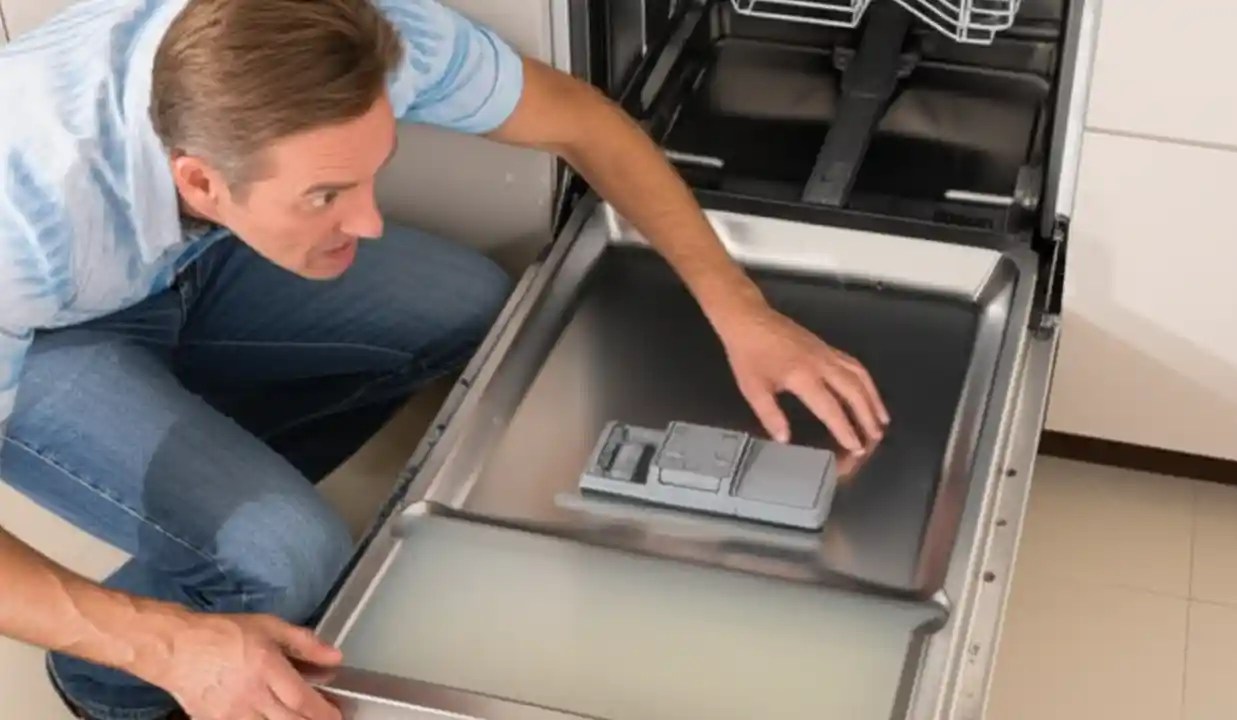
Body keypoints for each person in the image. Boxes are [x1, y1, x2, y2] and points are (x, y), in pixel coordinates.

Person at [0, 0, 890, 718]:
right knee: (291, 559)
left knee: (468, 303)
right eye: (326, 194)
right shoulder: (22, 204)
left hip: (190, 259)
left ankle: (211, 523)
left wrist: (741, 311)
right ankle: (107, 685)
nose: (370, 220)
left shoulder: (355, 38)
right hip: (49, 333)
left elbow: (585, 125)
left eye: (371, 171)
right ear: (201, 181)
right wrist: (167, 646)